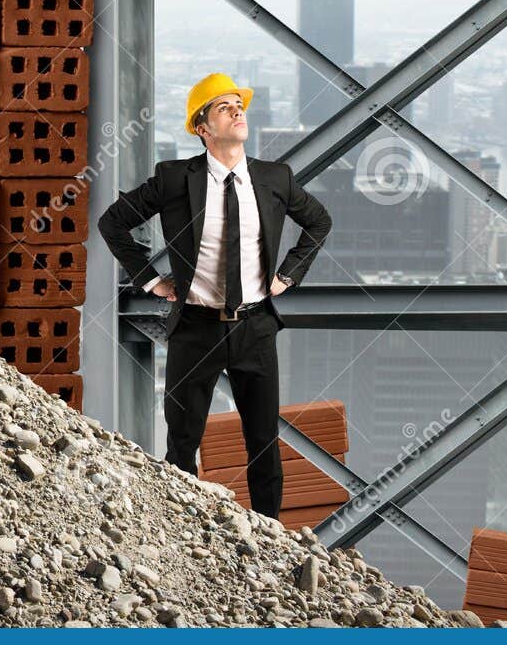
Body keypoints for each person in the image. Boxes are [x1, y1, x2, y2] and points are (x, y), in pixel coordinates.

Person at [97, 73, 332, 516]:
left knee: (263, 443)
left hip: (256, 327)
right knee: (182, 444)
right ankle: (181, 537)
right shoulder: (173, 179)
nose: (237, 111)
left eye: (238, 104)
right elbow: (113, 222)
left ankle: (271, 541)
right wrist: (151, 280)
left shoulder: (274, 178)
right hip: (195, 329)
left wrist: (288, 275)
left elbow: (319, 222)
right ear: (202, 127)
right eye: (224, 107)